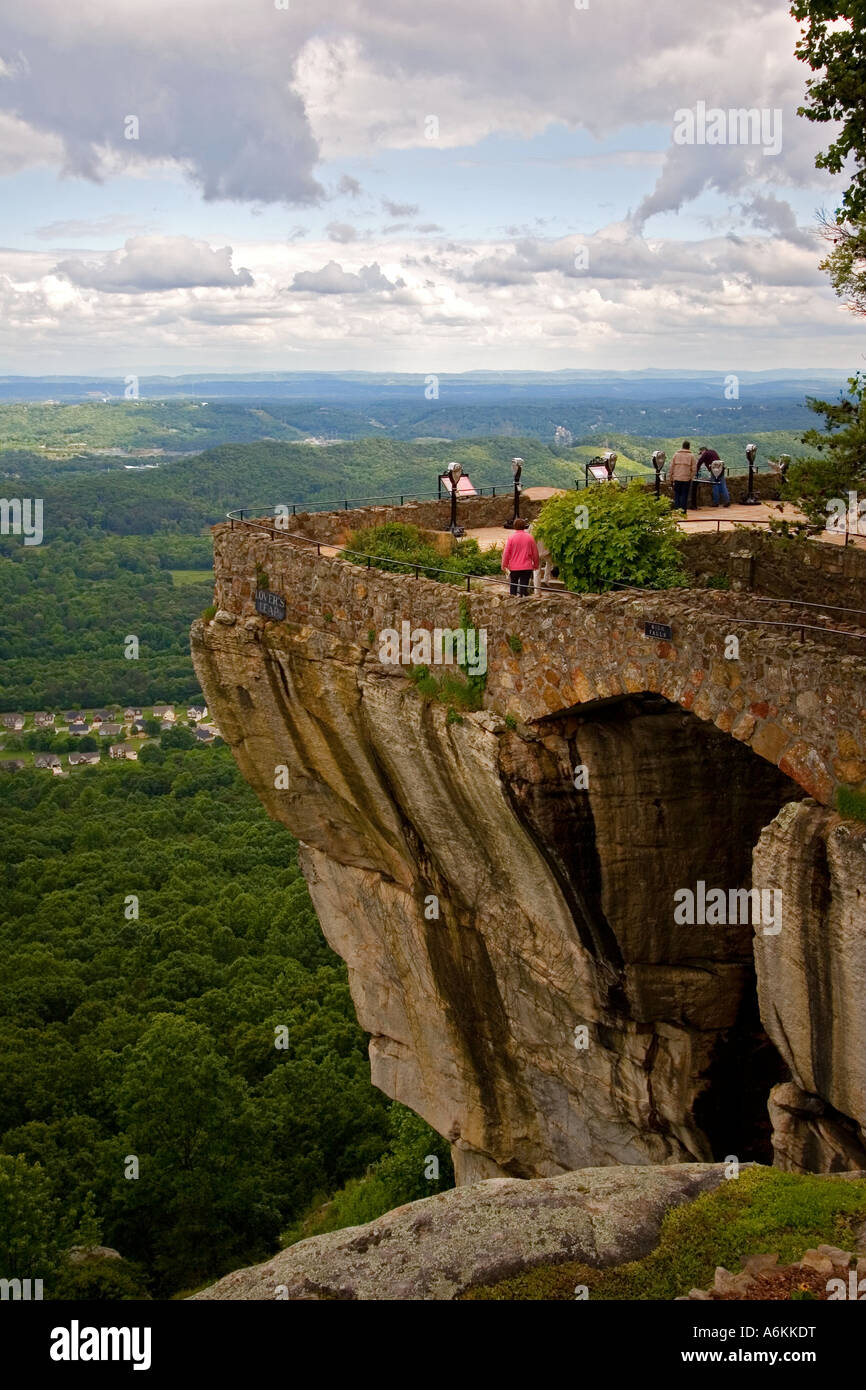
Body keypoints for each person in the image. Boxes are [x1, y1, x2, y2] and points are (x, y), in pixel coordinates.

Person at [501, 517, 539, 596]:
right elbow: (535, 553)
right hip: (527, 567)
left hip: (514, 567)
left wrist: (504, 564)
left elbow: (506, 552)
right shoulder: (530, 537)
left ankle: (512, 603)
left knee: (513, 586)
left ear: (514, 526)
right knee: (523, 588)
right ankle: (522, 601)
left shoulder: (511, 538)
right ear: (524, 526)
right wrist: (536, 564)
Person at [669, 440, 697, 513]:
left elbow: (671, 467)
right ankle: (683, 511)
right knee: (684, 495)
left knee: (677, 494)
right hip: (686, 479)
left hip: (677, 478)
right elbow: (694, 469)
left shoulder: (676, 455)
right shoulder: (691, 456)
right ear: (689, 447)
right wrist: (690, 477)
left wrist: (671, 478)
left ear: (682, 446)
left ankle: (676, 510)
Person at [530, 520, 553, 594]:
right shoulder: (547, 523)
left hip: (536, 551)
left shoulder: (532, 525)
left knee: (536, 571)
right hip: (546, 550)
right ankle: (547, 579)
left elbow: (529, 536)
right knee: (550, 563)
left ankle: (537, 591)